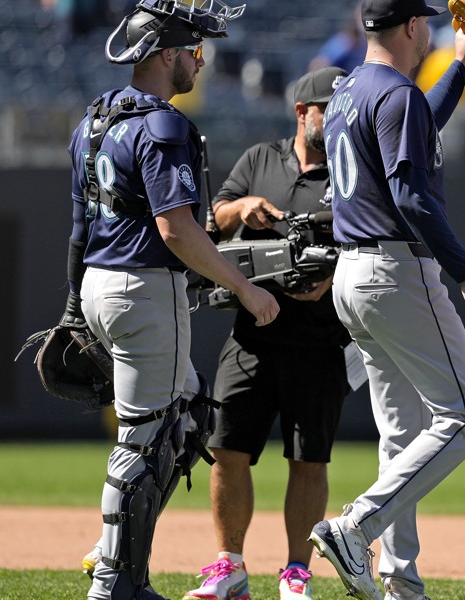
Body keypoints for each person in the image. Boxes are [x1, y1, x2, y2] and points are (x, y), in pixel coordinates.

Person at [68, 0, 278, 600]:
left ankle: (115, 551)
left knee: (185, 416)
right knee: (147, 436)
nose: (201, 59)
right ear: (166, 53)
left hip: (100, 283)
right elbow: (178, 231)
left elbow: (80, 223)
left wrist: (71, 303)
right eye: (194, 48)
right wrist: (246, 287)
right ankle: (114, 577)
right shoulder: (162, 125)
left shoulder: (95, 118)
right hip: (142, 287)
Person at [305, 0, 465, 600]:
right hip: (396, 270)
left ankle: (400, 581)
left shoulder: (344, 95)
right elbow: (412, 194)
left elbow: (413, 130)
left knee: (404, 433)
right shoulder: (398, 95)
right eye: (428, 24)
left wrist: (462, 70)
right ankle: (356, 526)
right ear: (413, 28)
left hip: (352, 274)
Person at [180, 66, 350, 600]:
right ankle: (229, 564)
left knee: (308, 460)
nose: (342, 117)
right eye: (332, 108)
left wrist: (332, 280)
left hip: (319, 340)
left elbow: (370, 249)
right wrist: (240, 208)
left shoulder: (352, 170)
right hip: (252, 333)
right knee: (225, 447)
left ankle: (296, 571)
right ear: (303, 112)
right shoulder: (260, 159)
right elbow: (213, 223)